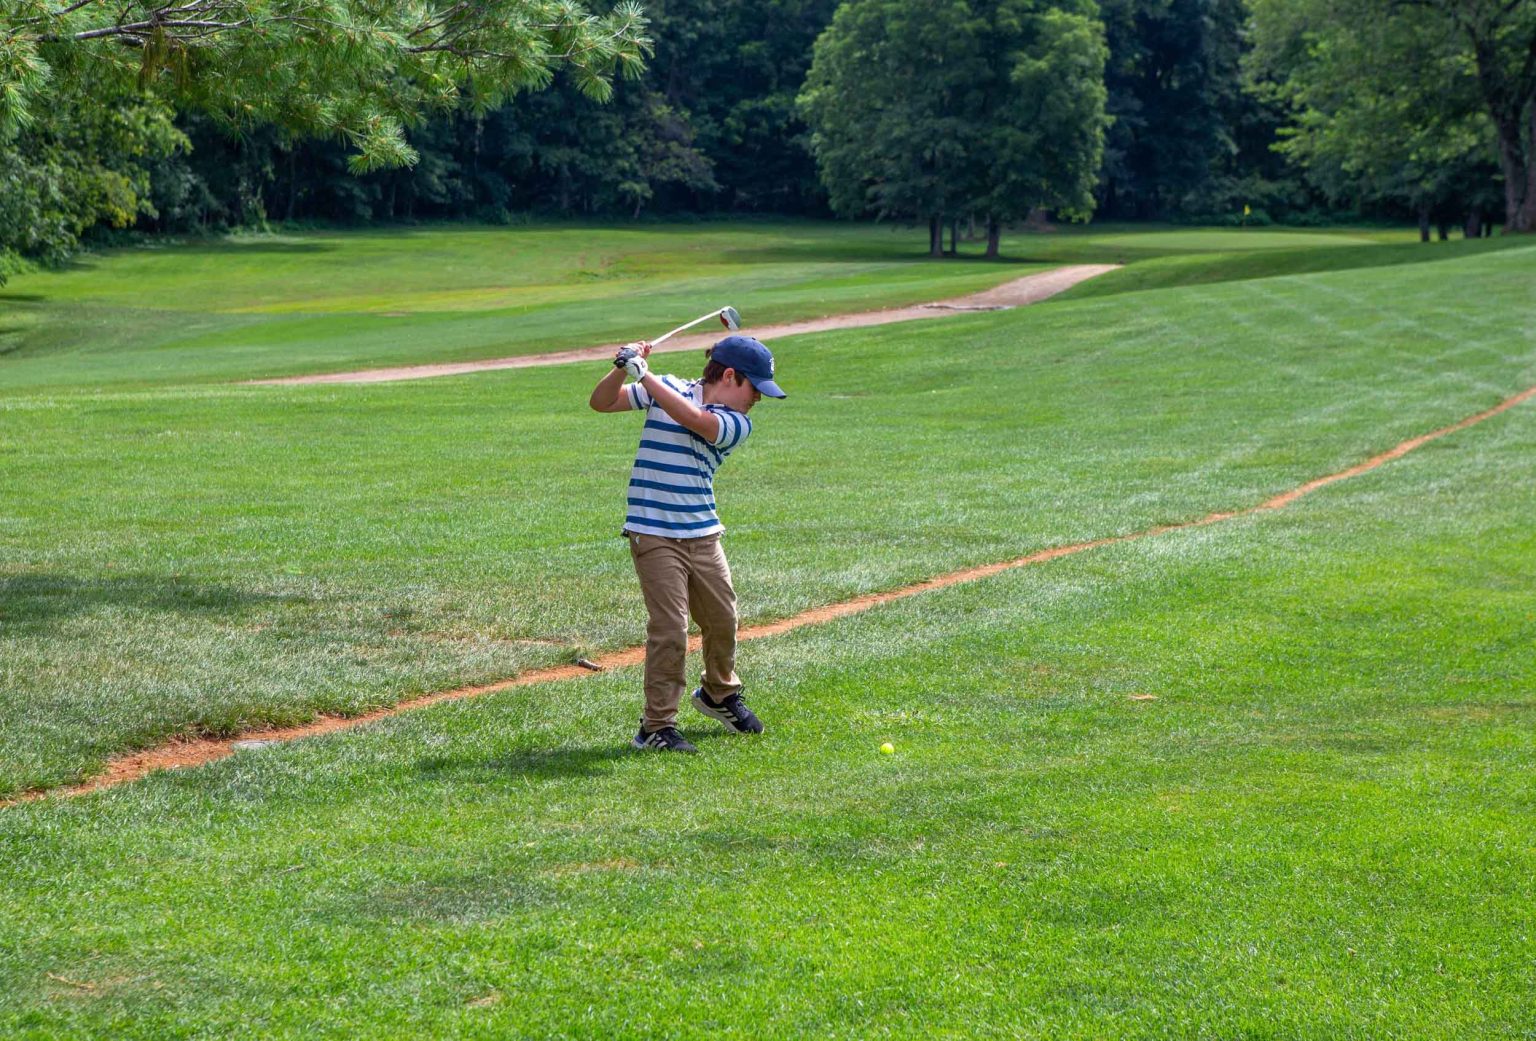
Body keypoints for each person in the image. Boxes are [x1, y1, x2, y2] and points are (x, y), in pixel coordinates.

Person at [588, 334, 786, 752]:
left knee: (722, 620)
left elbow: (696, 420)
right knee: (670, 629)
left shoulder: (735, 424)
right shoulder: (669, 388)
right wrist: (622, 367)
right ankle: (656, 727)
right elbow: (602, 402)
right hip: (653, 531)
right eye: (755, 388)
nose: (758, 400)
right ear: (730, 375)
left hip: (703, 533)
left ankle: (718, 694)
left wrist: (647, 376)